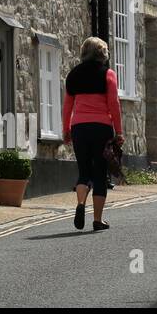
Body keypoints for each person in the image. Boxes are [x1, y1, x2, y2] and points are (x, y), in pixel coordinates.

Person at [62, 37, 123, 231]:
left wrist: (66, 129)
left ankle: (80, 204)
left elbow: (67, 106)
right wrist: (119, 131)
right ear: (102, 54)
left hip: (79, 127)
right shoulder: (108, 75)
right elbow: (114, 104)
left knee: (84, 172)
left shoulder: (73, 75)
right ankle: (97, 220)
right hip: (101, 128)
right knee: (99, 174)